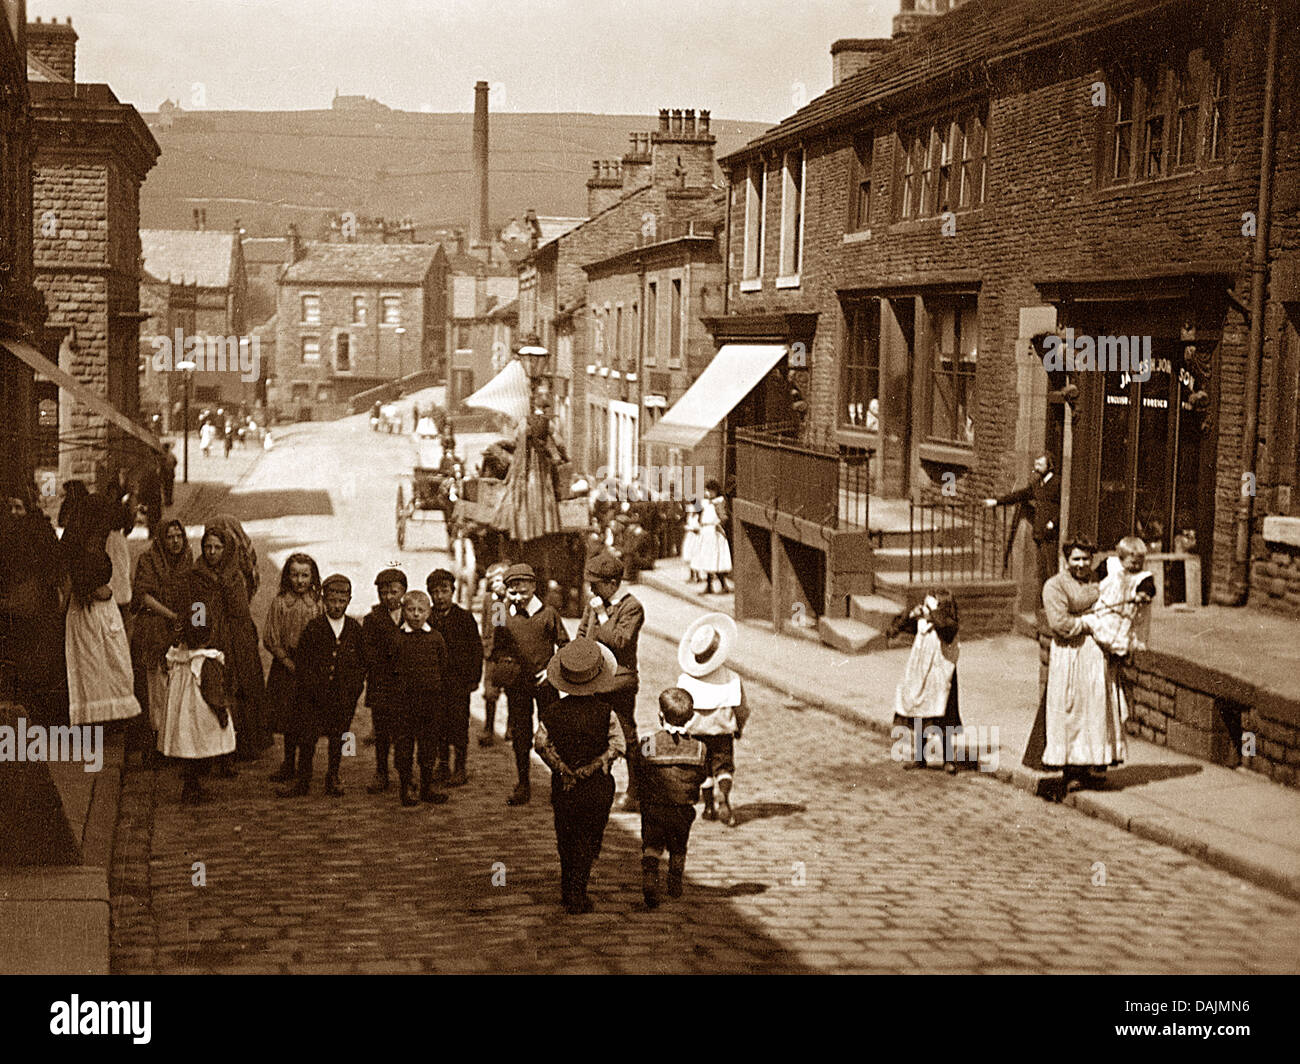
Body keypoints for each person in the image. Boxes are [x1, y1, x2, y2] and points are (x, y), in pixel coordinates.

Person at [533, 638, 625, 914]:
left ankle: (567, 887)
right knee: (589, 838)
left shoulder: (552, 712)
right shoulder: (606, 713)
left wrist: (562, 768)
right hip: (596, 785)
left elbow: (540, 744)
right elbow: (618, 745)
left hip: (565, 785)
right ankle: (578, 892)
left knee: (566, 836)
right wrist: (595, 765)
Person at [1022, 538, 1121, 790]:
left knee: (1094, 709)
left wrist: (1092, 617)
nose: (1081, 564)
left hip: (1095, 654)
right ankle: (1070, 770)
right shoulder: (1054, 586)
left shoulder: (1099, 583)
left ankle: (1089, 765)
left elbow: (1110, 610)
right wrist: (1088, 622)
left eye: (1086, 559)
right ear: (1066, 560)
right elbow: (1060, 623)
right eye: (1075, 558)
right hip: (1069, 654)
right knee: (1071, 710)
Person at [278, 574, 366, 798]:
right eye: (332, 601)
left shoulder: (355, 630)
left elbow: (361, 664)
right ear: (324, 601)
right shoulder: (314, 628)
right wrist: (310, 690)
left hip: (341, 698)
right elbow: (304, 662)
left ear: (349, 600)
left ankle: (333, 776)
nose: (336, 606)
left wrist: (353, 690)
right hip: (314, 698)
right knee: (307, 738)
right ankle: (303, 779)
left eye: (341, 601)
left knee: (339, 737)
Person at [491, 563, 570, 806]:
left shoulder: (549, 613)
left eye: (522, 592)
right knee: (520, 734)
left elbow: (564, 646)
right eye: (512, 592)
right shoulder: (502, 612)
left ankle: (558, 783)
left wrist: (551, 670)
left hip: (545, 684)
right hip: (517, 684)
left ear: (534, 587)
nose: (517, 597)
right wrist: (503, 669)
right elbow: (497, 646)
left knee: (551, 734)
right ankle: (523, 782)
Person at [192, 520, 269, 765]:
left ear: (226, 549)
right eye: (208, 547)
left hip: (237, 638)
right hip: (210, 637)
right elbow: (195, 609)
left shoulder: (235, 575)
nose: (212, 553)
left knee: (240, 687)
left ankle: (242, 743)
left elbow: (240, 609)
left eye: (217, 548)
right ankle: (215, 749)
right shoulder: (196, 574)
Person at [62, 494, 142, 726]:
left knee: (111, 663)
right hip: (87, 614)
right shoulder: (79, 551)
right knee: (93, 666)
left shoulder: (97, 543)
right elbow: (79, 584)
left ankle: (110, 717)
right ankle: (96, 719)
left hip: (103, 613)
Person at [577, 549, 645, 812]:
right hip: (594, 679)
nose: (591, 591)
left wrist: (603, 617)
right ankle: (597, 788)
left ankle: (636, 791)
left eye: (595, 585)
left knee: (626, 735)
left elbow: (619, 640)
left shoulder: (632, 606)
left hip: (619, 681)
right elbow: (583, 633)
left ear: (612, 583)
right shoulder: (594, 604)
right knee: (593, 735)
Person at [160, 587, 236, 805]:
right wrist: (221, 710)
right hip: (201, 712)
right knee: (200, 743)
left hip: (183, 710)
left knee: (188, 742)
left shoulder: (179, 659)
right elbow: (213, 692)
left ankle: (191, 784)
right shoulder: (206, 661)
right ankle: (193, 785)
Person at [0, 487, 69, 727]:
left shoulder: (40, 531)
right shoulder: (9, 533)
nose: (14, 512)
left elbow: (54, 564)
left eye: (19, 507)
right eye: (11, 507)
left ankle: (41, 718)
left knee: (40, 664)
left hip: (39, 607)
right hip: (17, 610)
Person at [637, 687, 709, 909]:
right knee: (679, 846)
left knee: (652, 845)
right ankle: (675, 880)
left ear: (661, 716)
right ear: (691, 718)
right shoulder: (699, 747)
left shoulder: (649, 741)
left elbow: (640, 771)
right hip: (682, 808)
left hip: (654, 806)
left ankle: (650, 878)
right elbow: (702, 776)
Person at [677, 613, 749, 827]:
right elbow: (742, 708)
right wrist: (739, 726)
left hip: (697, 731)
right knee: (724, 766)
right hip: (722, 730)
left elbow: (679, 707)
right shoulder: (731, 677)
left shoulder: (686, 680)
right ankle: (724, 797)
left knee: (704, 769)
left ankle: (708, 807)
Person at [130, 519, 193, 753]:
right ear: (161, 539)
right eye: (170, 537)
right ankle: (156, 742)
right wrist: (172, 615)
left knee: (176, 685)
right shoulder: (149, 560)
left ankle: (175, 740)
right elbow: (144, 596)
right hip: (154, 627)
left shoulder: (188, 558)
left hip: (178, 628)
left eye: (179, 536)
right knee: (155, 686)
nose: (175, 541)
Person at [888, 590, 962, 774]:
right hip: (921, 673)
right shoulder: (923, 623)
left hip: (940, 675)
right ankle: (920, 757)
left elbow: (946, 629)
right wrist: (910, 615)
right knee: (920, 712)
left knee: (943, 718)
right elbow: (901, 625)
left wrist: (932, 613)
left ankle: (949, 759)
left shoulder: (948, 625)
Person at [264, 553, 323, 783]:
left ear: (312, 577)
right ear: (287, 576)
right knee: (288, 718)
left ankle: (305, 765)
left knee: (307, 718)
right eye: (295, 575)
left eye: (305, 575)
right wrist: (286, 661)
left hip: (310, 667)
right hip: (286, 667)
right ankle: (288, 763)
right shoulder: (280, 603)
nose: (300, 581)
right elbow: (270, 637)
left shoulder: (317, 604)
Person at [393, 589, 451, 807]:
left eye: (421, 610)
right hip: (405, 703)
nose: (416, 615)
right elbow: (392, 670)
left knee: (429, 745)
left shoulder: (435, 638)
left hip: (430, 702)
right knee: (404, 745)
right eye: (411, 610)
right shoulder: (398, 638)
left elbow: (443, 667)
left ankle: (427, 786)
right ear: (404, 611)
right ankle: (406, 785)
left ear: (428, 612)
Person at [426, 568, 482, 787]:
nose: (440, 596)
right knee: (437, 726)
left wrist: (474, 677)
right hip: (435, 683)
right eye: (435, 592)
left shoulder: (464, 618)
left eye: (444, 591)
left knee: (458, 726)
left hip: (458, 684)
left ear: (453, 591)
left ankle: (460, 766)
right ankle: (442, 765)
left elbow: (476, 650)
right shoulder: (427, 618)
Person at [986, 454, 1060, 593]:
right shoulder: (1037, 484)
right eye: (1035, 464)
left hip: (1051, 535)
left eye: (1040, 465)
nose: (1036, 468)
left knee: (1052, 572)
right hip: (1039, 534)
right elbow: (1019, 495)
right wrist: (996, 502)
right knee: (1042, 572)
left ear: (1049, 466)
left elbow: (1064, 505)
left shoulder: (1057, 483)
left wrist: (1053, 523)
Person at [362, 568, 407, 794]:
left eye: (393, 591)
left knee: (404, 731)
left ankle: (405, 773)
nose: (388, 597)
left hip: (406, 686)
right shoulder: (372, 619)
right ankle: (381, 771)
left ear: (403, 591)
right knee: (381, 732)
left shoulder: (413, 614)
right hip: (382, 684)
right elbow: (367, 651)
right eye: (383, 592)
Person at [491, 412, 567, 541]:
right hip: (541, 470)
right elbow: (560, 443)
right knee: (544, 494)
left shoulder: (522, 423)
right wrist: (564, 456)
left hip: (522, 469)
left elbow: (516, 443)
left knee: (518, 498)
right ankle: (544, 527)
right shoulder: (548, 423)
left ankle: (522, 530)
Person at [478, 561, 509, 747]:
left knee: (511, 691)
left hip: (508, 652)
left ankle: (511, 726)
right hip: (491, 653)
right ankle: (488, 727)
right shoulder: (488, 600)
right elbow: (486, 624)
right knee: (490, 693)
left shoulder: (512, 600)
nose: (496, 584)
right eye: (493, 581)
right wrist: (485, 644)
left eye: (500, 580)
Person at [694, 480, 731, 594]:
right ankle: (709, 586)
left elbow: (724, 517)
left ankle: (723, 585)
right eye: (707, 490)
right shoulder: (707, 503)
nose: (708, 493)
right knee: (707, 560)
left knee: (714, 560)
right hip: (706, 532)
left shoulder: (718, 502)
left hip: (713, 533)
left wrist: (718, 525)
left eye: (711, 491)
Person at [681, 502, 701, 583]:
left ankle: (698, 576)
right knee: (689, 556)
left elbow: (698, 528)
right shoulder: (689, 516)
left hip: (696, 537)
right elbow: (687, 524)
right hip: (689, 536)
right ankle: (692, 575)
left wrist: (691, 528)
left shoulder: (698, 517)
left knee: (696, 556)